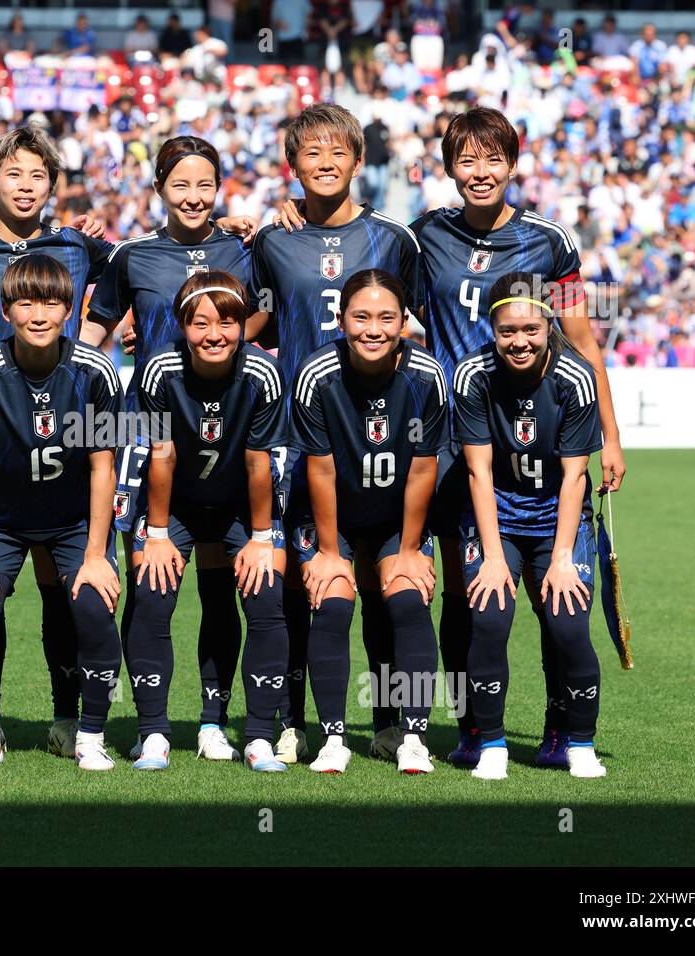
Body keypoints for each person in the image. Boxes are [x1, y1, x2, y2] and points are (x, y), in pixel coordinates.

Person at [410, 107, 625, 769]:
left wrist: (610, 438)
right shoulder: (424, 238)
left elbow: (584, 342)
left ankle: (564, 727)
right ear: (450, 166)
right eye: (468, 161)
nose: (481, 172)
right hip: (456, 439)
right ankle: (474, 727)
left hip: (540, 435)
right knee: (466, 591)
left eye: (493, 159)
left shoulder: (550, 240)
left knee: (551, 592)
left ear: (512, 162)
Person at [0, 125, 111, 759]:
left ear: (53, 185)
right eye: (14, 174)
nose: (26, 185)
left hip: (64, 438)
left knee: (66, 595)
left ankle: (69, 721)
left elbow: (143, 276)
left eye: (39, 175)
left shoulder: (81, 246)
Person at [250, 102, 422, 765]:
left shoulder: (395, 241)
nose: (325, 164)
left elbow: (418, 327)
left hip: (379, 437)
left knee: (387, 582)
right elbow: (254, 321)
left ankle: (389, 723)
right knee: (304, 584)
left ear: (358, 160)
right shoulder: (271, 240)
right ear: (292, 165)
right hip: (298, 439)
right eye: (310, 154)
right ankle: (296, 720)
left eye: (337, 152)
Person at [85, 136, 254, 761]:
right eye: (180, 184)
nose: (193, 196)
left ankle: (213, 720)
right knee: (150, 580)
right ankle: (152, 726)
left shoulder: (244, 248)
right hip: (146, 433)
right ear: (159, 188)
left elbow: (257, 318)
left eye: (205, 184)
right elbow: (95, 328)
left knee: (218, 583)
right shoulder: (134, 255)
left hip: (224, 431)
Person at [0, 255, 123, 770]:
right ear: (6, 311)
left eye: (51, 302)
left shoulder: (94, 370)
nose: (39, 314)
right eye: (25, 303)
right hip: (1, 520)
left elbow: (102, 467)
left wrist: (96, 553)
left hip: (73, 519)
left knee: (93, 607)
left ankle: (89, 735)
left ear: (70, 309)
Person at [126, 271, 289, 772]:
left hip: (242, 504)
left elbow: (259, 463)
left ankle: (252, 733)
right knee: (151, 596)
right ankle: (152, 732)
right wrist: (155, 534)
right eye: (201, 323)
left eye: (228, 321)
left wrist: (262, 537)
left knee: (263, 597)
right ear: (181, 325)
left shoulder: (263, 373)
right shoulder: (158, 370)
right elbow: (161, 456)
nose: (214, 334)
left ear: (244, 324)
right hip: (172, 503)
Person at [289, 269, 447, 774]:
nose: (373, 329)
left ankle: (411, 736)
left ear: (405, 322)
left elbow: (424, 467)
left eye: (386, 317)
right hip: (329, 513)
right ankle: (333, 737)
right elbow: (320, 467)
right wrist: (331, 554)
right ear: (341, 320)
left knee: (406, 595)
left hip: (394, 517)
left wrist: (409, 548)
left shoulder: (426, 377)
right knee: (332, 601)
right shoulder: (317, 374)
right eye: (360, 317)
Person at [451, 272, 607, 780]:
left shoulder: (576, 377)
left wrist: (562, 559)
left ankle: (579, 743)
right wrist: (493, 556)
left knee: (566, 624)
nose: (519, 342)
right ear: (492, 329)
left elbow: (575, 476)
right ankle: (492, 744)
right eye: (507, 331)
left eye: (530, 330)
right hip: (496, 513)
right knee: (490, 619)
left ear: (549, 325)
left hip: (556, 517)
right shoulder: (472, 376)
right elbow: (477, 471)